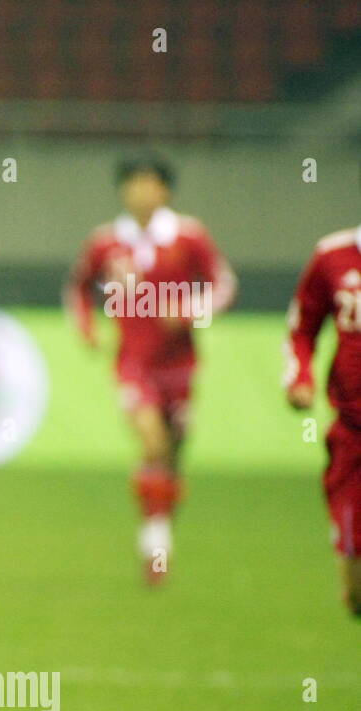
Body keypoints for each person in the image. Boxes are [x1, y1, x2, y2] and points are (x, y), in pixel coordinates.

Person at [64, 155, 236, 584]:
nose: (141, 192)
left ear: (166, 191)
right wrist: (86, 328)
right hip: (133, 363)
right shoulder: (106, 242)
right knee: (153, 442)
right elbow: (79, 287)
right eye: (134, 184)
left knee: (173, 458)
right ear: (124, 191)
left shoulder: (188, 236)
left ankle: (158, 527)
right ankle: (155, 548)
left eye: (150, 184)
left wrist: (193, 310)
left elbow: (223, 283)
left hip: (179, 364)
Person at [285, 222, 361, 615]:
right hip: (352, 433)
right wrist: (299, 377)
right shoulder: (333, 255)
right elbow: (302, 327)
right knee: (356, 594)